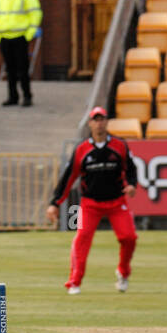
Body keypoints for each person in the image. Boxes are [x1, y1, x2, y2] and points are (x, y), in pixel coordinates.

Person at [45, 108, 138, 295]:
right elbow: (69, 177)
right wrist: (55, 203)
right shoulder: (82, 149)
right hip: (90, 204)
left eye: (102, 119)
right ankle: (74, 281)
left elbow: (131, 169)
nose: (99, 123)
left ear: (107, 121)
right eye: (96, 120)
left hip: (116, 201)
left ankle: (123, 271)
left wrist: (132, 185)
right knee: (82, 238)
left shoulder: (119, 145)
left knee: (129, 238)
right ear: (90, 123)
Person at [0, 0, 42, 107]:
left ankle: (27, 96)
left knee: (22, 69)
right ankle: (12, 97)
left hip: (20, 37)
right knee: (10, 69)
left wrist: (29, 33)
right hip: (4, 38)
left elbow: (36, 12)